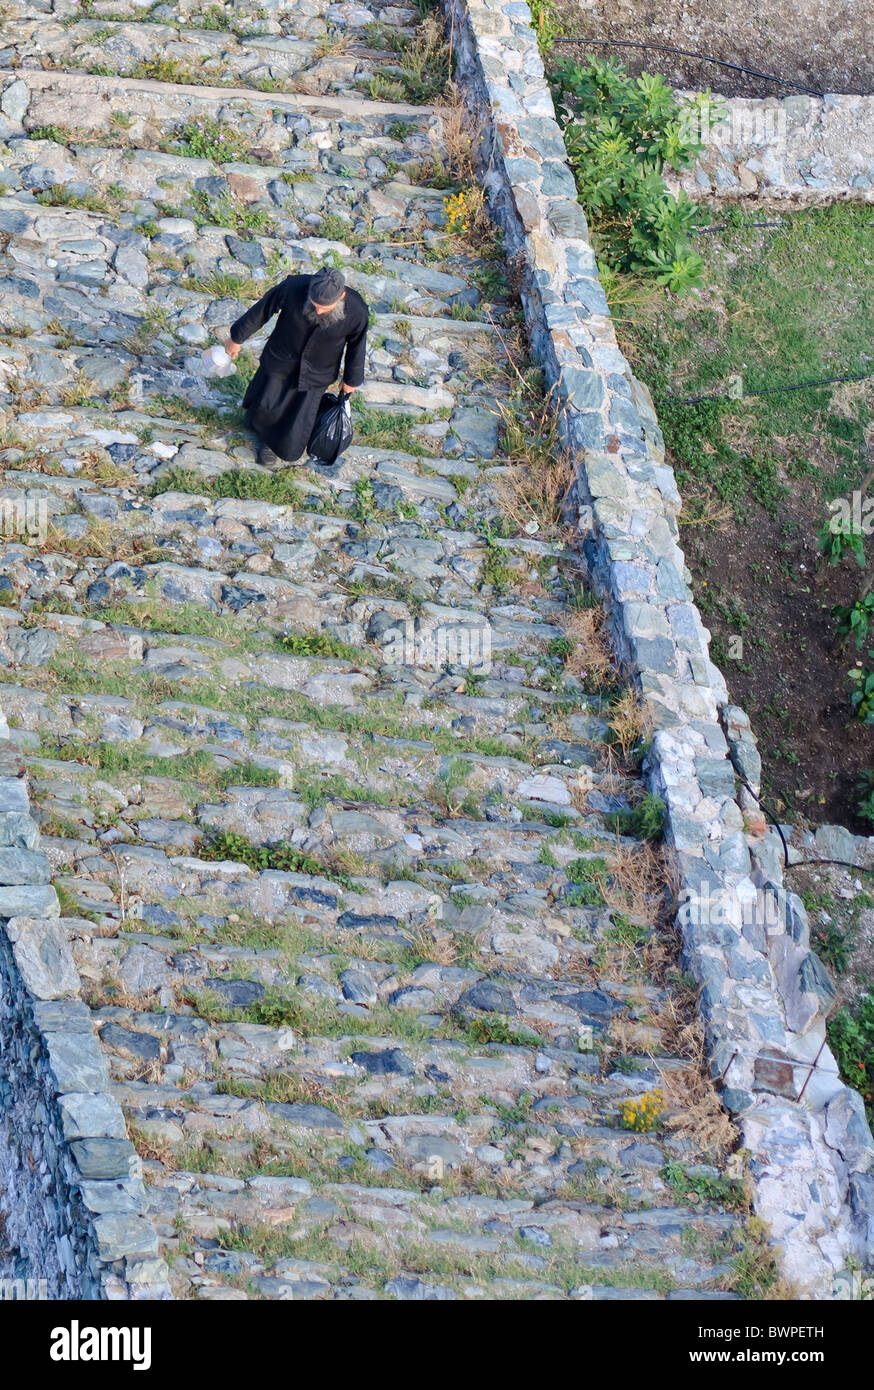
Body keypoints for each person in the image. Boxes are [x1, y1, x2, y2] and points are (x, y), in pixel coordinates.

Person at [223, 266, 367, 469]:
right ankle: (256, 422)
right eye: (315, 305)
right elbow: (263, 309)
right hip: (281, 357)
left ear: (341, 296)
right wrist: (236, 338)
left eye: (324, 308)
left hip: (318, 371)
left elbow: (357, 345)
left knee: (297, 417)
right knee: (267, 398)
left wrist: (352, 379)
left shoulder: (357, 310)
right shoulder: (293, 286)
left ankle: (273, 446)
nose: (318, 311)